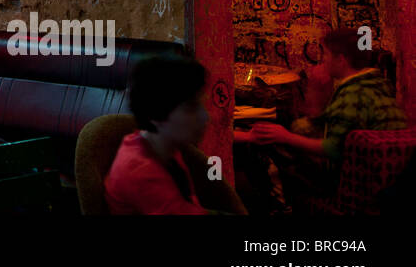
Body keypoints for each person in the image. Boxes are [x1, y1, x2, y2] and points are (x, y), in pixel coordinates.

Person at [250, 29, 407, 209]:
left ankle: (281, 208)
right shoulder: (376, 83)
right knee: (298, 129)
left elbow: (334, 149)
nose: (323, 60)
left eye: (325, 54)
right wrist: (317, 90)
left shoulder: (352, 93)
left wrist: (285, 136)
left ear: (341, 59)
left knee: (273, 149)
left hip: (358, 183)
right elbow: (321, 121)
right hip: (389, 179)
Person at [105, 53, 232, 215]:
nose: (205, 116)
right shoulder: (140, 171)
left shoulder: (164, 147)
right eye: (190, 108)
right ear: (156, 114)